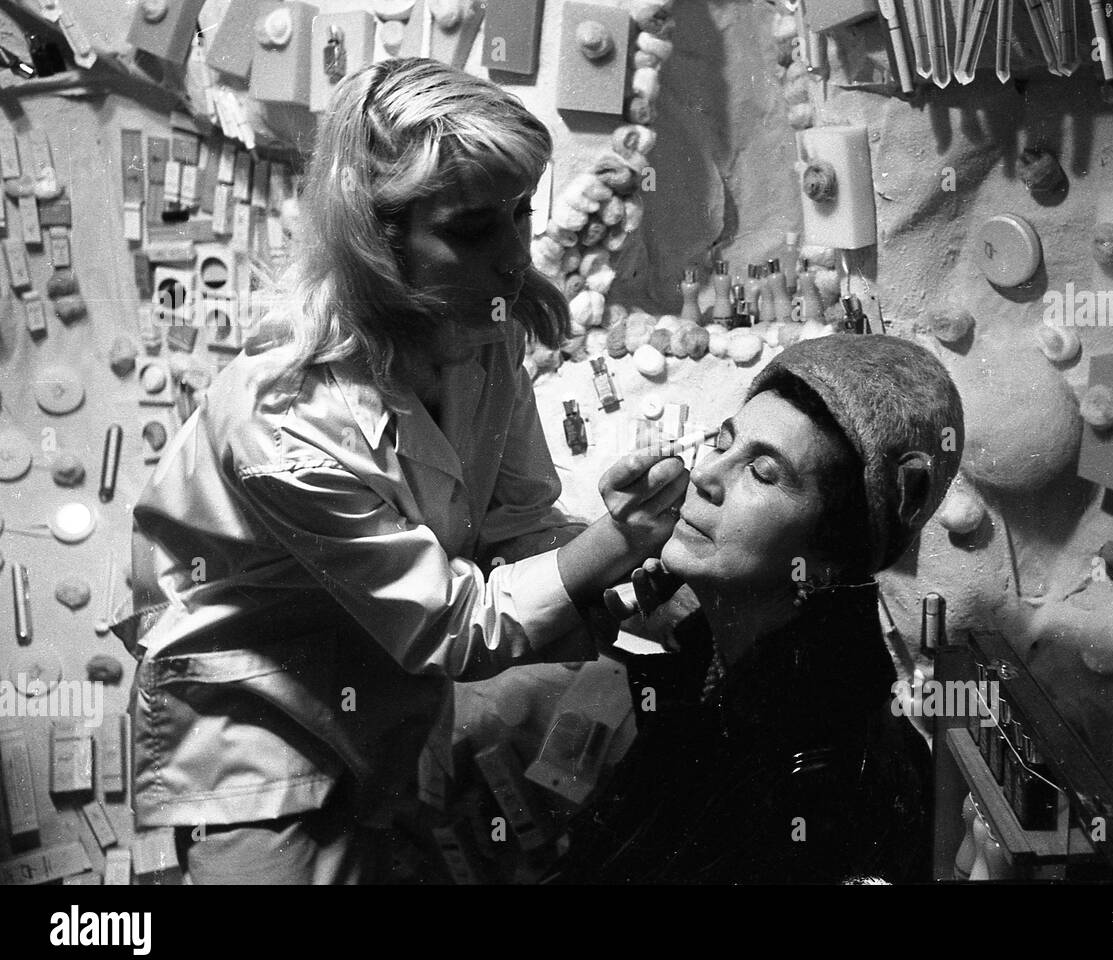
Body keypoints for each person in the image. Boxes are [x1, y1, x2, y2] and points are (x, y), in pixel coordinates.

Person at [111, 58, 687, 884]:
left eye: (523, 212)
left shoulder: (484, 339)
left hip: (380, 693)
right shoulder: (285, 416)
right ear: (376, 235)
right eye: (473, 226)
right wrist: (611, 543)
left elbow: (515, 530)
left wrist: (625, 553)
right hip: (252, 722)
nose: (515, 253)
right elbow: (453, 625)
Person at [550, 334, 964, 884]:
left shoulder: (816, 780)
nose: (705, 476)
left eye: (764, 473)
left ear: (833, 555)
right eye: (724, 444)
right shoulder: (726, 652)